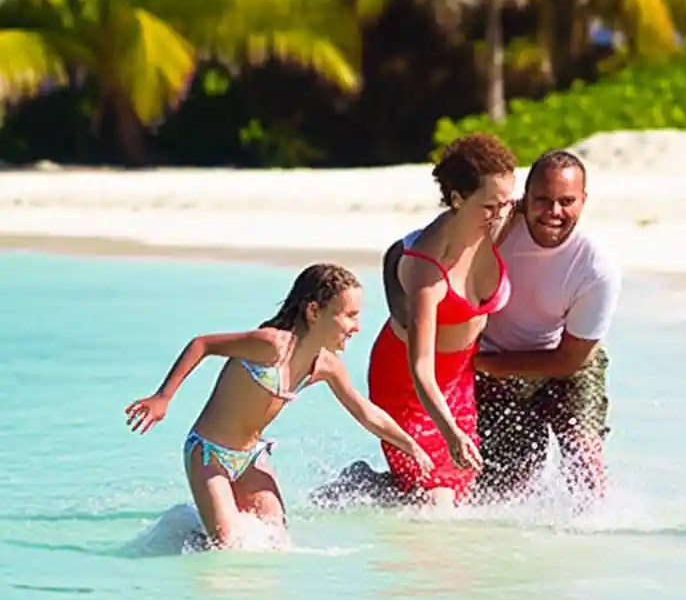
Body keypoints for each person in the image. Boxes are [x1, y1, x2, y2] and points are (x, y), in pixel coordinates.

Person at [123, 263, 434, 550]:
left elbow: (366, 412)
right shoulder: (270, 346)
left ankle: (207, 519)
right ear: (314, 310)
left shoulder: (326, 365)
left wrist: (412, 446)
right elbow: (202, 344)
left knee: (277, 540)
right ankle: (185, 530)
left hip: (250, 458)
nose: (356, 327)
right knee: (228, 546)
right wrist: (163, 398)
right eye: (349, 315)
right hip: (209, 455)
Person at [365, 132, 517, 505]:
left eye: (507, 203)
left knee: (457, 494)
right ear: (457, 199)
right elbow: (420, 369)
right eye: (489, 206)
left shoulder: (496, 222)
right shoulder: (427, 267)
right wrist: (450, 433)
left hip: (459, 381)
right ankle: (371, 487)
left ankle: (375, 487)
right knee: (438, 504)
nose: (501, 214)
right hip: (410, 388)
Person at [470, 149, 622, 508]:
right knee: (500, 492)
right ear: (525, 197)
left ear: (583, 201)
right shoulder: (498, 229)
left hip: (563, 361)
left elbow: (570, 361)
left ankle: (594, 537)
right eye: (543, 200)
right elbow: (420, 252)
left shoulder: (596, 268)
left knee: (585, 459)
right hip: (496, 366)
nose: (554, 212)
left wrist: (484, 365)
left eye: (566, 202)